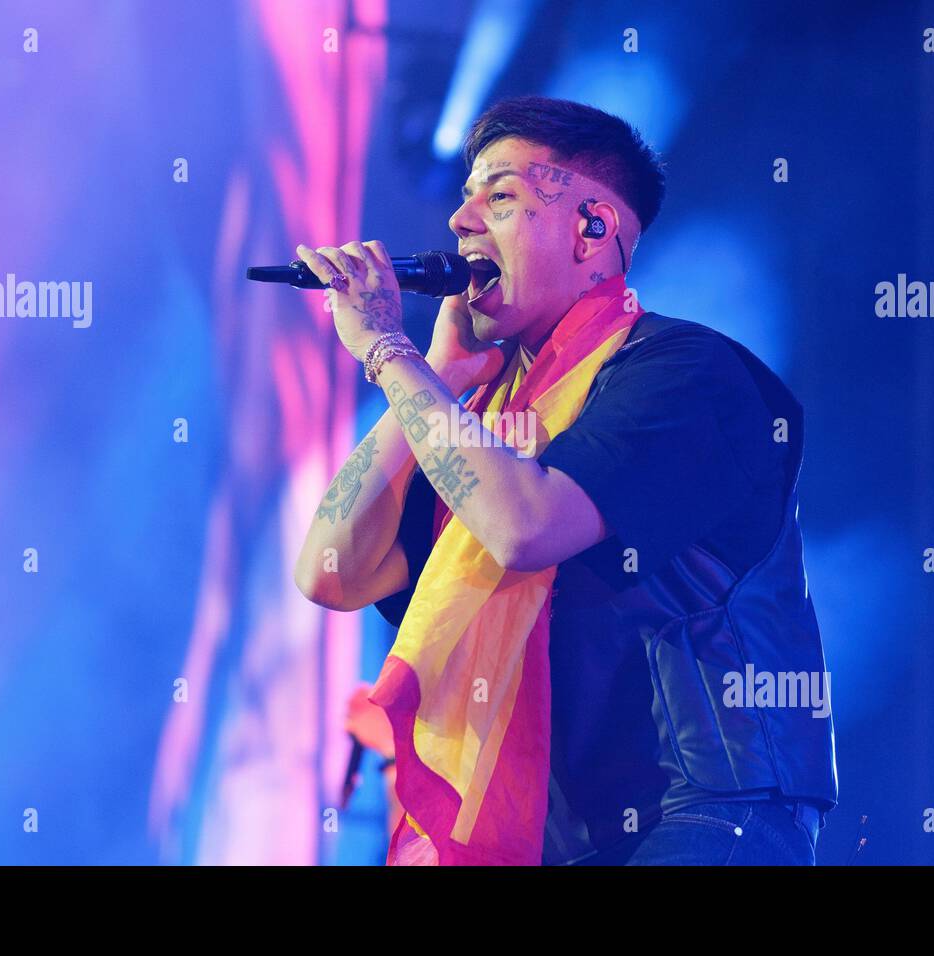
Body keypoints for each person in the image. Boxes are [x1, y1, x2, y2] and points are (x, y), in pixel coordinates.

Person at [293, 96, 837, 866]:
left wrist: (389, 352)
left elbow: (524, 526)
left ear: (593, 229)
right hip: (559, 836)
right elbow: (330, 571)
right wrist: (437, 371)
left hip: (704, 817)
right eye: (467, 193)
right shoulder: (475, 422)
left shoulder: (684, 374)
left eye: (501, 196)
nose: (462, 219)